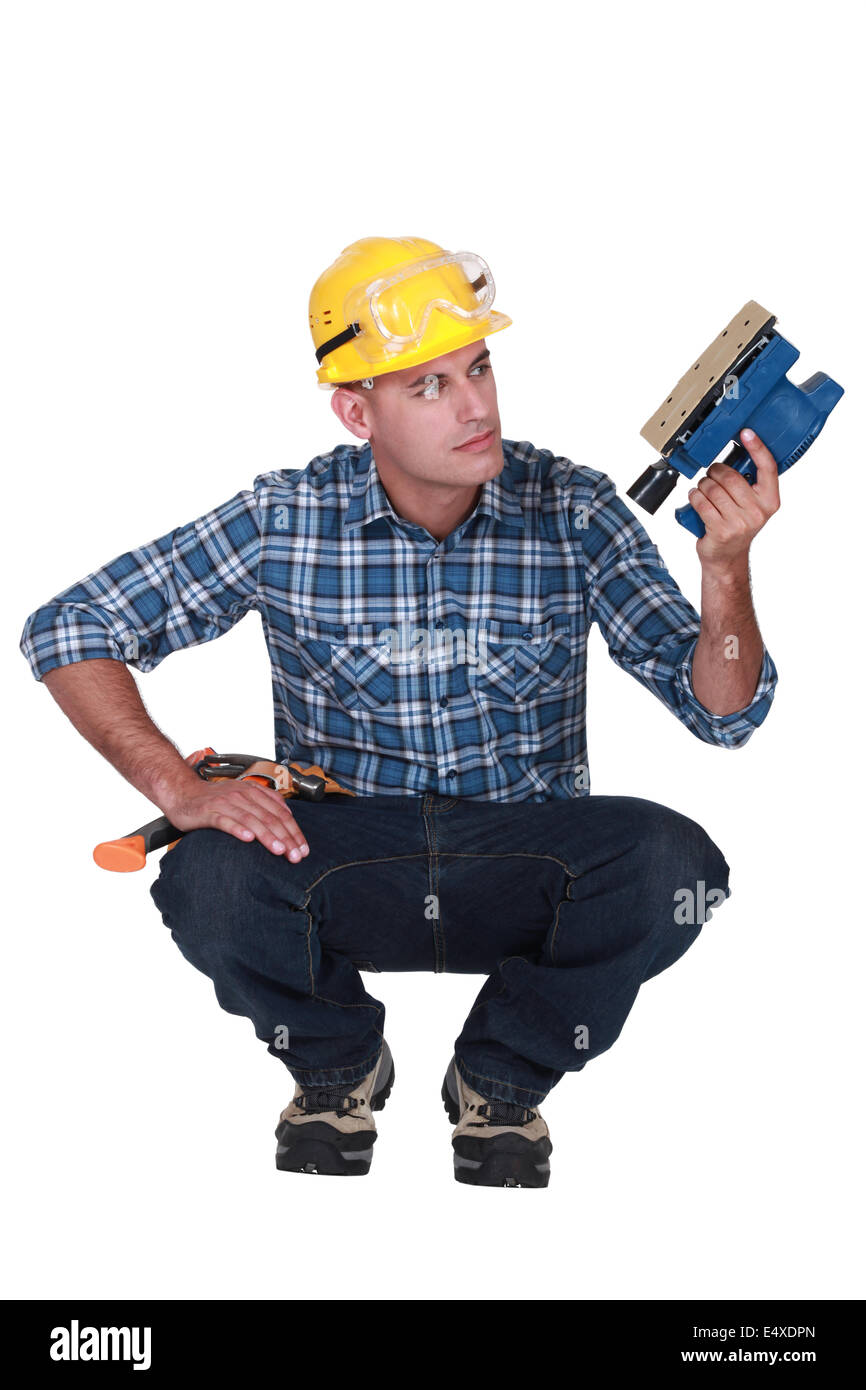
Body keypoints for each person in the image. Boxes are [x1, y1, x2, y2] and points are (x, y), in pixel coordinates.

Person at [20, 235, 781, 1188]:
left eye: (479, 367)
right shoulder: (285, 519)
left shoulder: (575, 508)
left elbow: (723, 712)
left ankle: (500, 1078)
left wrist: (726, 571)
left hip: (522, 857)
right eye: (426, 386)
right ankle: (336, 1070)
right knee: (205, 877)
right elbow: (71, 628)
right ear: (356, 410)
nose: (475, 406)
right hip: (343, 859)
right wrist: (177, 788)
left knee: (679, 867)